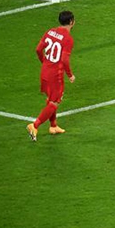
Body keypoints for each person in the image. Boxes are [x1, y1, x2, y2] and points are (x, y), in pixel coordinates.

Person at [26, 11, 76, 141]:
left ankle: (53, 126)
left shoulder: (50, 31)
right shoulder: (68, 39)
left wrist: (44, 62)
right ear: (71, 22)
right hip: (56, 75)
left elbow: (38, 49)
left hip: (45, 71)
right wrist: (70, 75)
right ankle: (35, 125)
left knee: (50, 99)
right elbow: (65, 60)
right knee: (54, 102)